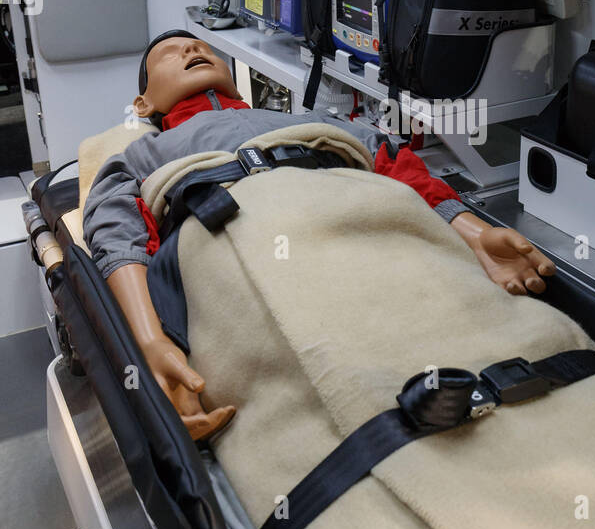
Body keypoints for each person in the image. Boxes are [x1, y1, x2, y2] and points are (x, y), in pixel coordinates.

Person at [83, 31, 555, 440]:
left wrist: (472, 233)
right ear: (143, 105)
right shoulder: (144, 154)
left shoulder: (310, 122)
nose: (190, 47)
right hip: (243, 240)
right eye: (170, 53)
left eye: (200, 44)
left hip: (359, 224)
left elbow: (393, 162)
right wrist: (150, 340)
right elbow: (116, 232)